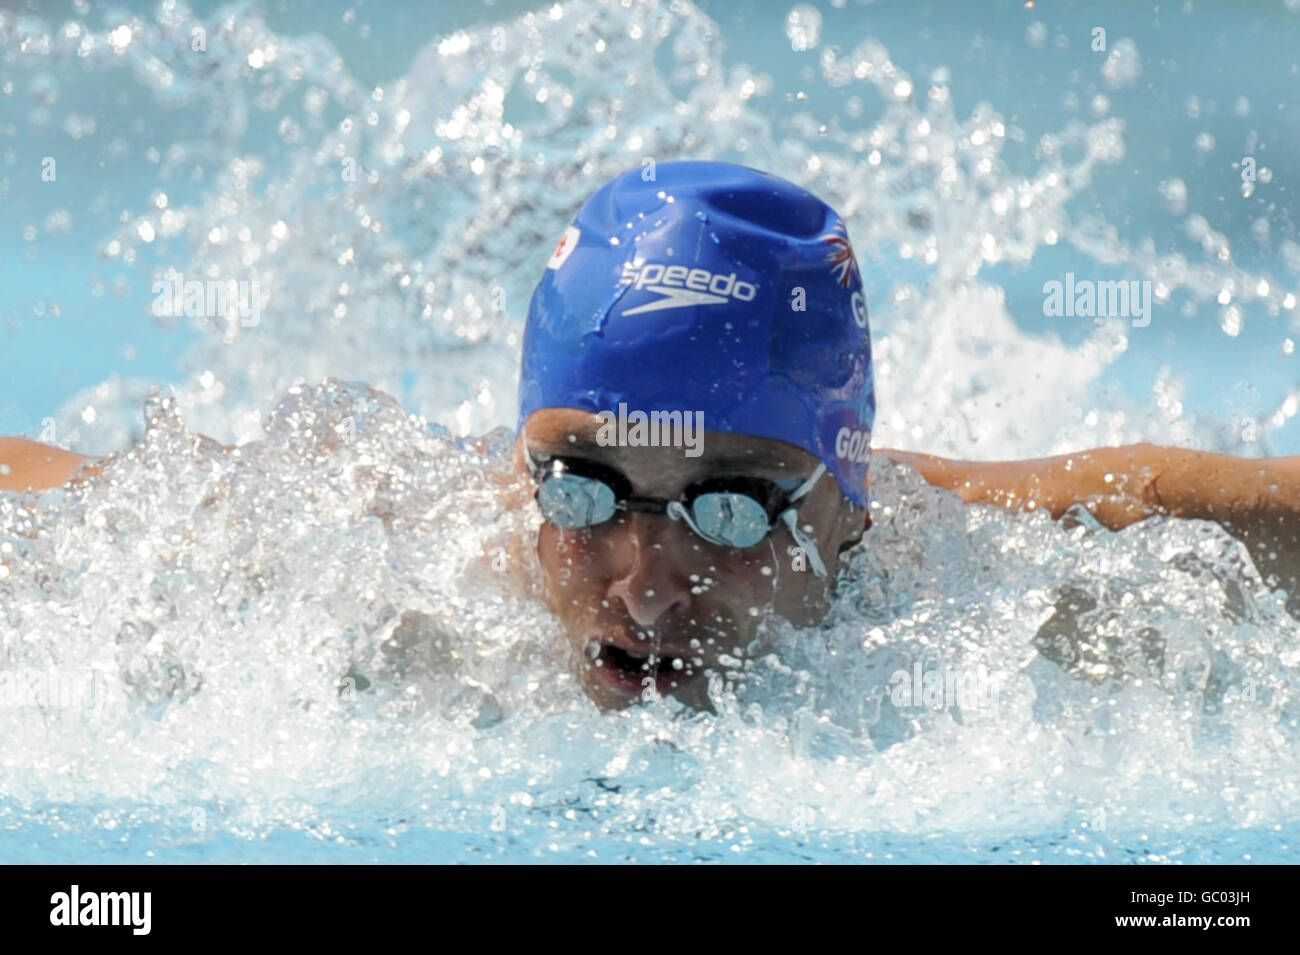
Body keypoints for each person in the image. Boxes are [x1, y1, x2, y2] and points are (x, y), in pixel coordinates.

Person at [5, 160, 1300, 711]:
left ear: (851, 505)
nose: (647, 578)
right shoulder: (373, 560)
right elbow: (73, 502)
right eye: (581, 489)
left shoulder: (995, 575)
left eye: (731, 503)